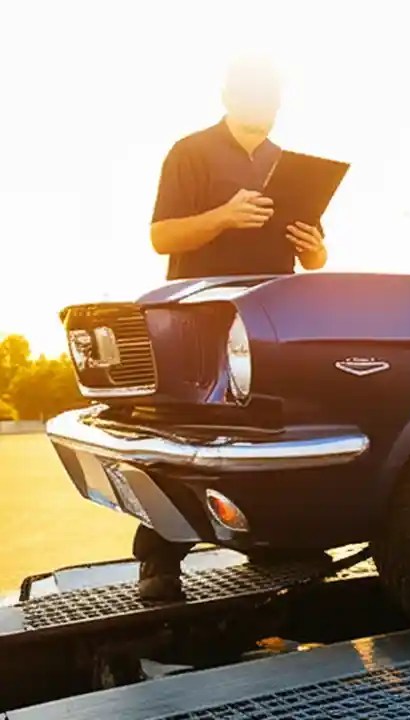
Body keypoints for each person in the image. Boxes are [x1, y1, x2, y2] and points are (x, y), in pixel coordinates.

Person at [136, 56, 329, 601]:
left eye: (272, 95)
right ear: (227, 96)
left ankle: (278, 543)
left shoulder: (288, 163)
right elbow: (161, 236)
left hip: (271, 319)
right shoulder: (190, 152)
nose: (265, 104)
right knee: (184, 434)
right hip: (198, 316)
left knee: (273, 430)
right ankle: (159, 559)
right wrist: (223, 216)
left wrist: (313, 250)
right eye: (254, 93)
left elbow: (314, 256)